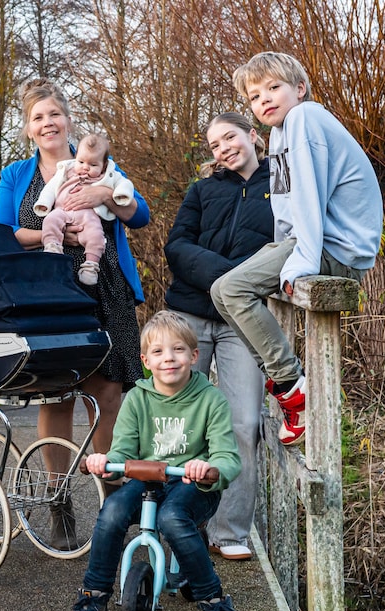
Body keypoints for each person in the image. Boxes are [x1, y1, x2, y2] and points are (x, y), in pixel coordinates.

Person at [0, 78, 150, 545]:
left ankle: (113, 505)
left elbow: (138, 215)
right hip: (45, 290)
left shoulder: (98, 161)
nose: (48, 124)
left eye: (54, 114)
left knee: (106, 391)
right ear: (28, 128)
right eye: (38, 117)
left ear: (68, 119)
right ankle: (58, 503)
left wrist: (104, 196)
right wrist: (52, 236)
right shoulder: (16, 175)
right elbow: (3, 233)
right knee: (55, 393)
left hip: (104, 287)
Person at [211, 51, 383, 446]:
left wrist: (300, 260)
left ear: (299, 89)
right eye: (254, 97)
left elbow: (309, 196)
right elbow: (286, 204)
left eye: (274, 88)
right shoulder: (281, 132)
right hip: (311, 242)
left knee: (233, 289)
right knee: (223, 290)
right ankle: (287, 385)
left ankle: (291, 386)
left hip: (336, 250)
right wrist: (280, 249)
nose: (264, 100)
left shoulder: (305, 119)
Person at [64, 310, 245, 611]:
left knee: (172, 518)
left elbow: (227, 456)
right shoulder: (136, 399)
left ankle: (214, 602)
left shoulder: (211, 400)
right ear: (145, 361)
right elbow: (123, 450)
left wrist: (210, 467)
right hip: (146, 479)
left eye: (178, 350)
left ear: (194, 355)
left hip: (193, 485)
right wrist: (105, 461)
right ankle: (93, 595)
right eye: (158, 352)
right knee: (113, 509)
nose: (169, 359)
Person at [165, 112, 274, 561]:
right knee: (176, 422)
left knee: (242, 423)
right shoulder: (202, 189)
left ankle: (228, 530)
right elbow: (177, 246)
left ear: (252, 135)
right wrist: (230, 277)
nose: (223, 148)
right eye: (214, 144)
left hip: (240, 323)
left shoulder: (282, 186)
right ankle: (176, 522)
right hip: (188, 314)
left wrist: (241, 287)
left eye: (229, 137)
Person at [34, 133, 137, 286]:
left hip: (90, 216)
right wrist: (44, 203)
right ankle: (52, 247)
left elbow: (125, 185)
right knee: (50, 220)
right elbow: (50, 188)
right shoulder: (66, 170)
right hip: (63, 209)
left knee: (96, 236)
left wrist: (118, 195)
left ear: (103, 165)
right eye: (81, 161)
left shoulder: (110, 175)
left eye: (93, 165)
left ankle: (91, 266)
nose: (85, 167)